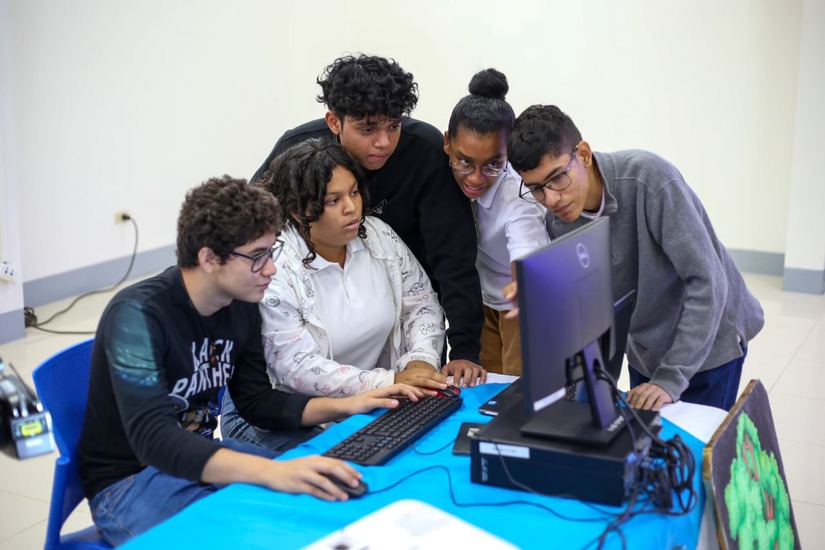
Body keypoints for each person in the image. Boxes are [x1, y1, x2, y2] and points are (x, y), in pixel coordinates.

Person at [77, 176, 422, 546]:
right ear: (209, 258)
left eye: (272, 252)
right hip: (129, 480)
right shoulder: (137, 315)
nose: (271, 269)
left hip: (200, 458)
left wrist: (349, 404)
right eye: (258, 257)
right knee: (253, 534)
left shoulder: (240, 303)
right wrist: (270, 472)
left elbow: (257, 402)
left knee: (316, 503)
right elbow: (153, 439)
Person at [505, 105, 764, 411]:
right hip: (646, 349)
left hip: (709, 343)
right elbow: (594, 310)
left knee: (696, 439)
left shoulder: (649, 179)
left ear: (584, 154)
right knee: (645, 436)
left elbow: (708, 282)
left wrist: (670, 377)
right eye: (536, 189)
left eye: (558, 177)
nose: (551, 199)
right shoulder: (559, 222)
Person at [251, 53, 486, 386]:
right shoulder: (297, 153)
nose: (384, 142)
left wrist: (462, 349)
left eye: (394, 126)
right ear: (334, 122)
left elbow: (453, 261)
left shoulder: (422, 156)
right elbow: (245, 233)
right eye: (367, 128)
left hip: (399, 314)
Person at [220, 140, 452, 447]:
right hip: (280, 415)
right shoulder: (274, 268)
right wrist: (389, 381)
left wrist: (420, 361)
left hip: (362, 401)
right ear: (298, 211)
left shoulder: (378, 236)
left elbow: (420, 303)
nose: (351, 207)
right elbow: (296, 368)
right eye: (333, 200)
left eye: (354, 192)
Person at [443, 69, 549, 376]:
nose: (476, 178)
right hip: (481, 302)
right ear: (447, 143)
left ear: (509, 155)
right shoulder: (441, 175)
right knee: (486, 385)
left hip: (519, 307)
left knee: (518, 387)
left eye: (493, 164)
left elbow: (526, 253)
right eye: (465, 162)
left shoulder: (517, 197)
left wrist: (524, 288)